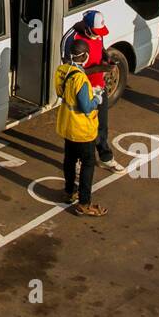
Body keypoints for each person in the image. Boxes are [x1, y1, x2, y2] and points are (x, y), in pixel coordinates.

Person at [62, 10, 126, 173]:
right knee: (78, 129)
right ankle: (76, 160)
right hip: (80, 91)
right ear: (87, 27)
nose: (98, 35)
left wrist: (107, 57)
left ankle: (105, 157)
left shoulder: (96, 33)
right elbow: (70, 71)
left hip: (98, 88)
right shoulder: (71, 39)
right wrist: (100, 68)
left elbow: (101, 47)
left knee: (101, 125)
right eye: (95, 33)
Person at [54, 38, 106, 217]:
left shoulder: (61, 71)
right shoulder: (81, 79)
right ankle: (84, 203)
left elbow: (60, 93)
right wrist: (96, 98)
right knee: (88, 164)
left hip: (67, 125)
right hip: (82, 129)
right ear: (84, 56)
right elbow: (86, 106)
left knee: (69, 159)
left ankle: (69, 191)